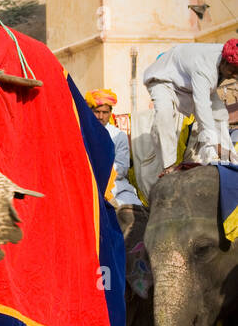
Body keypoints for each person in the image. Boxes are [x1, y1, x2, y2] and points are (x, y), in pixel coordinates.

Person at [143, 39, 238, 170]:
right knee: (164, 115)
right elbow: (202, 107)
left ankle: (231, 162)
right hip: (164, 80)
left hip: (189, 82)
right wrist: (215, 144)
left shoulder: (230, 56)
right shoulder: (205, 68)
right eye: (232, 72)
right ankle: (168, 166)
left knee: (220, 114)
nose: (234, 76)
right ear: (224, 61)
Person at [86, 89, 142, 206]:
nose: (100, 116)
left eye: (105, 112)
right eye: (97, 112)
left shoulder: (119, 135)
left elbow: (122, 167)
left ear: (110, 113)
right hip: (88, 183)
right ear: (90, 112)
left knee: (134, 207)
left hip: (116, 185)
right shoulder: (83, 133)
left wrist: (103, 172)